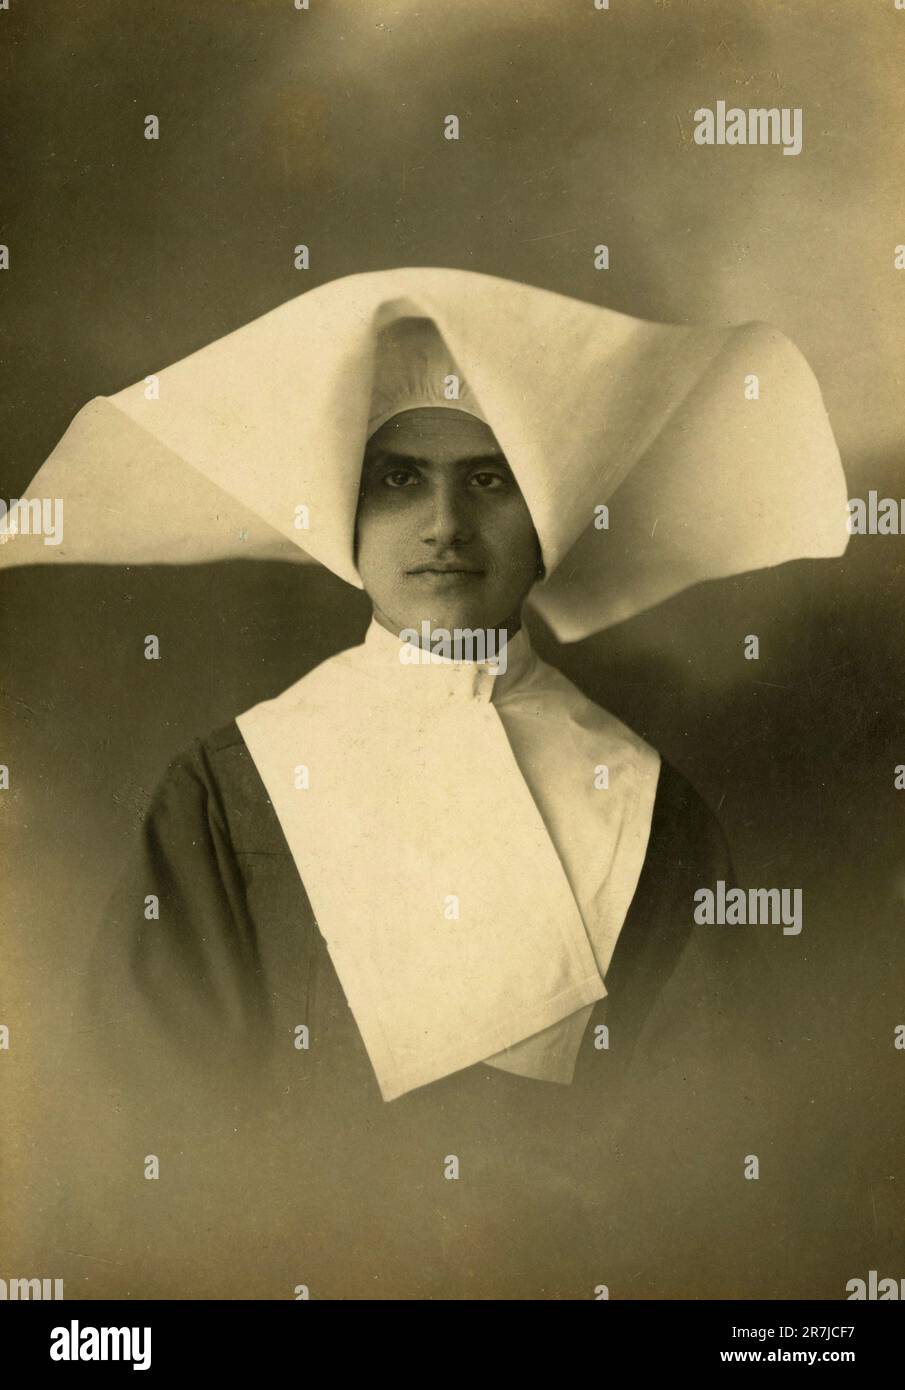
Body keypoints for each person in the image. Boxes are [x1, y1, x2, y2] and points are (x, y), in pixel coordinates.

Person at [6, 268, 849, 1297]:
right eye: (399, 478)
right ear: (343, 519)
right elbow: (146, 1125)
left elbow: (709, 1156)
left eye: (489, 480)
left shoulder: (652, 811)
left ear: (547, 520)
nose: (444, 522)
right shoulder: (232, 789)